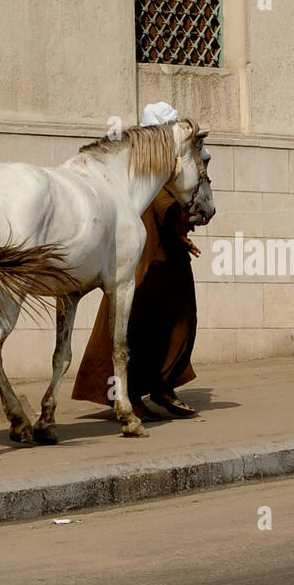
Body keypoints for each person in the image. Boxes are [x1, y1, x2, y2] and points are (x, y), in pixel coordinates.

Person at [71, 104, 201, 419]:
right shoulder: (144, 160)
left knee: (175, 320)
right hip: (145, 256)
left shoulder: (165, 162)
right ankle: (128, 393)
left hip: (165, 254)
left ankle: (161, 385)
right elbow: (164, 206)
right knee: (137, 323)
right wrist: (185, 218)